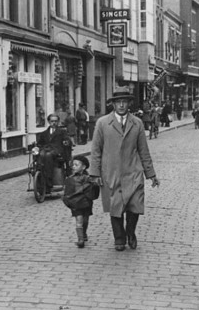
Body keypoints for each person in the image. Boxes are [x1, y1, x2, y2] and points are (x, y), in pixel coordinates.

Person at [89, 87, 160, 251]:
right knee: (116, 208)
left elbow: (143, 150)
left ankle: (130, 232)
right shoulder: (102, 123)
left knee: (135, 206)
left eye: (124, 102)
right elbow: (96, 151)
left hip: (133, 173)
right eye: (118, 102)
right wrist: (95, 173)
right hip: (111, 173)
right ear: (113, 104)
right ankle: (119, 238)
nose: (121, 105)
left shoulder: (137, 123)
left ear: (129, 104)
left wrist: (151, 174)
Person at [62, 155, 99, 248]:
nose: (73, 166)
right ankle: (80, 239)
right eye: (73, 165)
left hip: (86, 203)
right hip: (76, 204)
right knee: (79, 220)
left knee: (85, 220)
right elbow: (67, 193)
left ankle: (84, 233)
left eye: (76, 165)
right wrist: (69, 201)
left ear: (83, 167)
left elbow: (93, 190)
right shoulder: (70, 179)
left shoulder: (88, 178)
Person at [36, 112, 72, 192]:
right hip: (46, 149)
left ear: (58, 122)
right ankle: (39, 179)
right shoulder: (44, 133)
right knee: (40, 155)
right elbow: (39, 143)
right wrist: (37, 147)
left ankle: (49, 182)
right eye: (52, 121)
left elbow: (67, 139)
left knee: (48, 155)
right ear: (49, 122)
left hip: (57, 151)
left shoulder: (62, 132)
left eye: (55, 121)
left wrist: (66, 142)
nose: (54, 123)